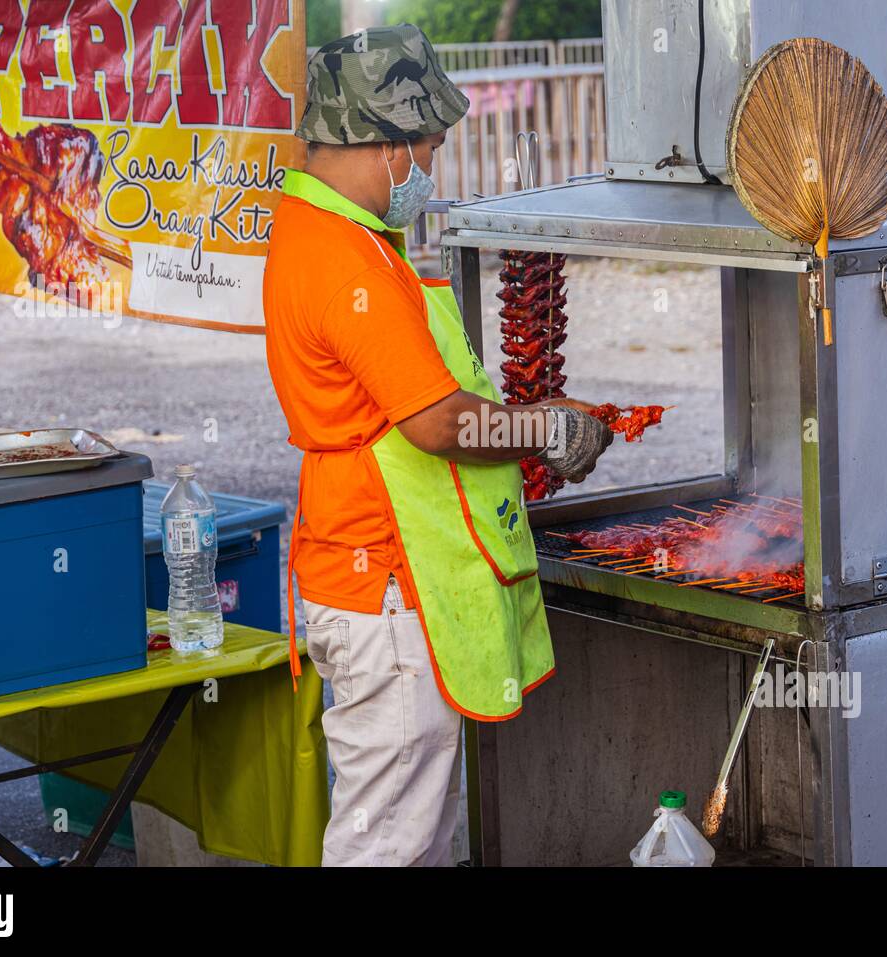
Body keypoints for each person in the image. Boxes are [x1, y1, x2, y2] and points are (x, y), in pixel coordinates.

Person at [262, 23, 613, 866]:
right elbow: (439, 422)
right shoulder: (344, 259)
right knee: (387, 837)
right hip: (380, 578)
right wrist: (549, 429)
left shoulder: (327, 234)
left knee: (411, 827)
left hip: (364, 570)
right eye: (429, 148)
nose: (432, 170)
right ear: (383, 144)